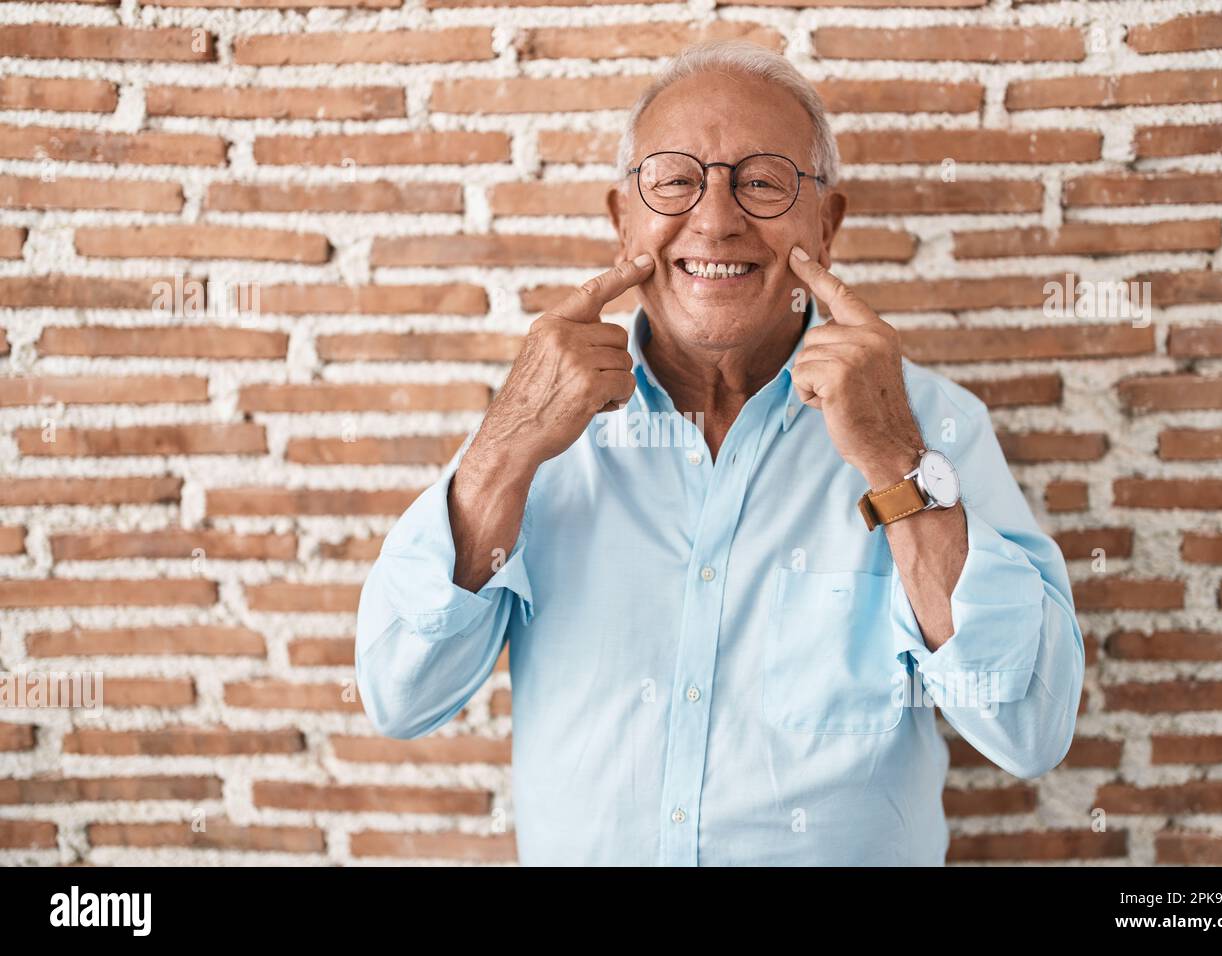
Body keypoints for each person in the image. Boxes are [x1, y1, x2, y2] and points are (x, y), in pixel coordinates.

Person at [355, 39, 1084, 866]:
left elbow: (1030, 727)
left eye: (763, 181)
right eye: (674, 180)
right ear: (622, 219)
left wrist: (893, 460)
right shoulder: (540, 426)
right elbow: (400, 695)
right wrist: (503, 446)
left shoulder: (933, 428)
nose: (715, 217)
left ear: (827, 225)